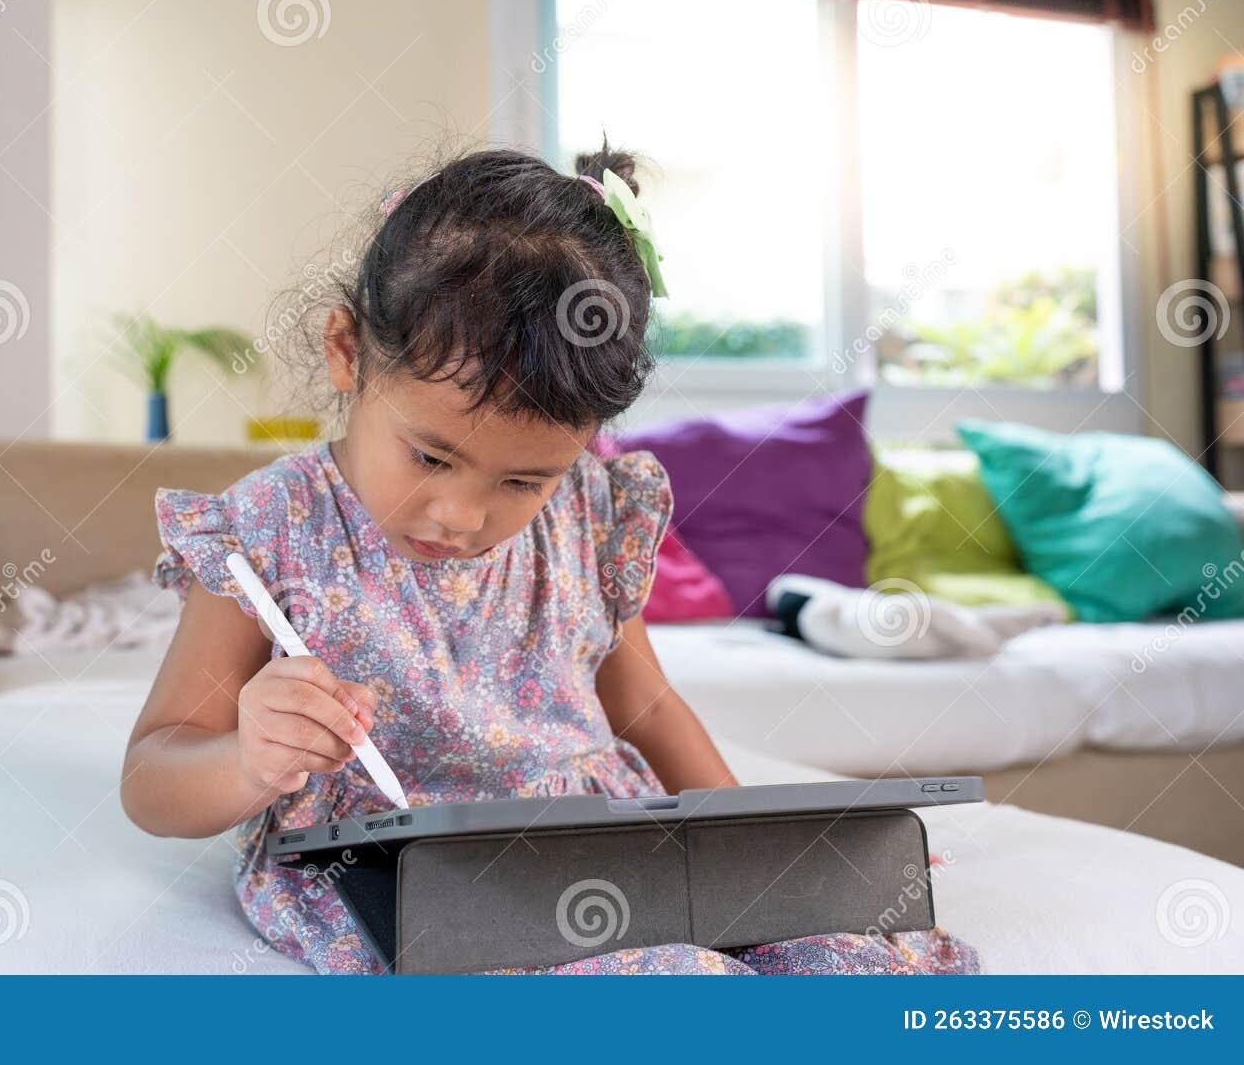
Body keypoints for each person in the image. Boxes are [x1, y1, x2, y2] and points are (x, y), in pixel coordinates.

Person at [120, 143, 980, 976]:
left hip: (593, 836)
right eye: (429, 455)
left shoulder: (589, 512)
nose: (461, 515)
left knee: (846, 957)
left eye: (524, 479)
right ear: (347, 351)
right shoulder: (270, 527)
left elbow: (643, 704)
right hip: (402, 873)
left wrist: (760, 848)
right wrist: (246, 760)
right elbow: (153, 773)